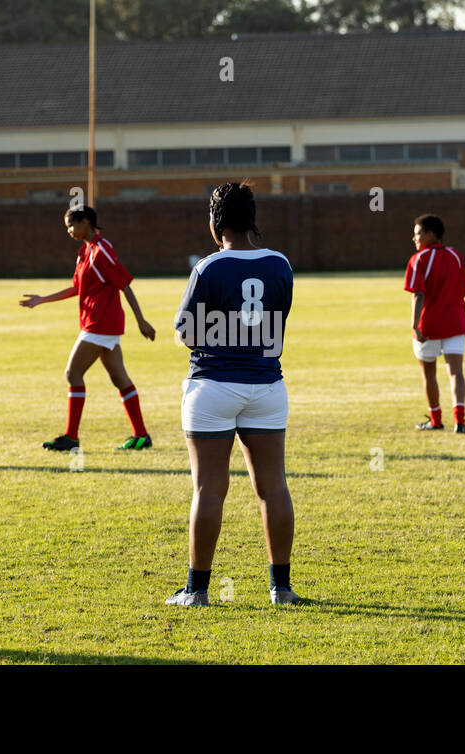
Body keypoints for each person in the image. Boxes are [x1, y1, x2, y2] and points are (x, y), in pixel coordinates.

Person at [166, 182, 298, 606]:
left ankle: (197, 590)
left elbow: (185, 334)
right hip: (266, 385)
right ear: (252, 220)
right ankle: (281, 588)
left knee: (209, 489)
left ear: (214, 222)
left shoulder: (208, 268)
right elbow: (275, 323)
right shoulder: (280, 264)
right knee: (273, 487)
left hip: (214, 385)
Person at [21, 206, 156, 450]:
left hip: (100, 324)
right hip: (99, 323)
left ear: (85, 222)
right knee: (119, 378)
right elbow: (76, 288)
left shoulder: (101, 250)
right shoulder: (85, 252)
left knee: (72, 373)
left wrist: (141, 320)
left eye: (71, 225)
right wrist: (42, 299)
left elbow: (124, 284)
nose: (69, 231)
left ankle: (71, 438)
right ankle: (142, 436)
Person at [404, 214, 465, 434]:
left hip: (429, 324)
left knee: (429, 374)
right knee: (456, 372)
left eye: (418, 234)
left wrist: (414, 325)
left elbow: (418, 294)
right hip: (455, 323)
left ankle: (436, 420)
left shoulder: (419, 259)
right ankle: (459, 422)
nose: (414, 238)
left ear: (430, 234)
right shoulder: (456, 255)